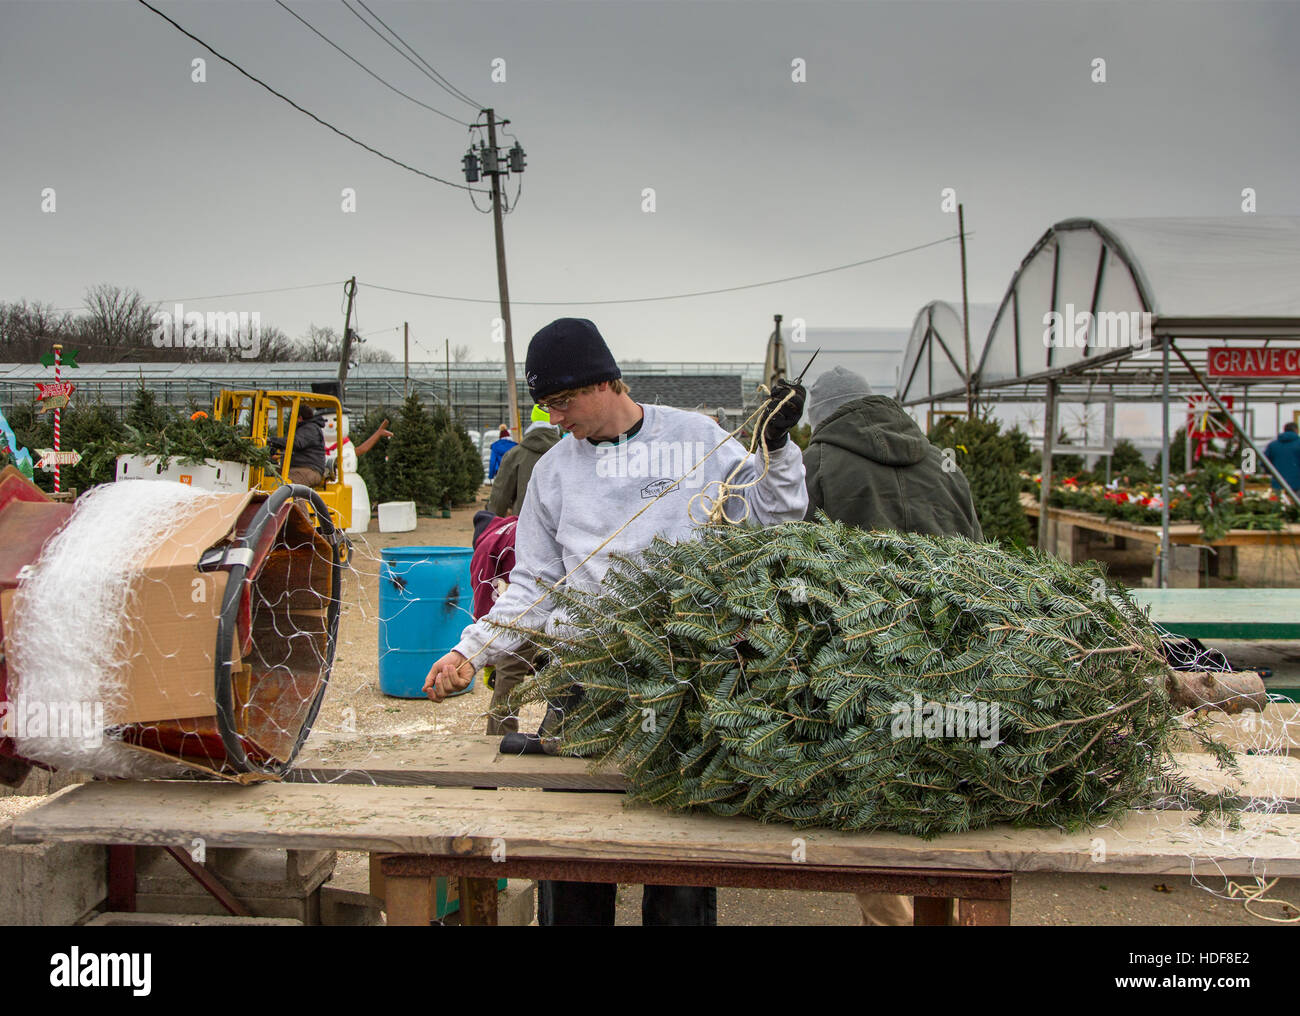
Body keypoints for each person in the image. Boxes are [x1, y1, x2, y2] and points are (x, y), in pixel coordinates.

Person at [424, 317, 808, 926]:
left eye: (561, 400)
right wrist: (471, 650)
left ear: (604, 382)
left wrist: (780, 446)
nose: (554, 418)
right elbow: (533, 585)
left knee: (677, 869)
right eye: (544, 404)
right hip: (585, 686)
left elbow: (776, 518)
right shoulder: (554, 471)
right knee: (570, 864)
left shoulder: (695, 438)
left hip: (686, 684)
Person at [801, 366, 982, 928]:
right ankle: (938, 917)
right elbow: (980, 555)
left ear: (821, 417)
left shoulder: (819, 463)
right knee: (940, 791)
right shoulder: (944, 463)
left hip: (857, 655)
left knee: (870, 799)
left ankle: (892, 922)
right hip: (950, 654)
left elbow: (791, 562)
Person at [488, 405, 561, 517]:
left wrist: (491, 524)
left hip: (523, 525)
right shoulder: (568, 455)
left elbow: (499, 497)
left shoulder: (515, 454)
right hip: (561, 528)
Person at [270, 404, 327, 487]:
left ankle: (298, 500)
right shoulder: (304, 428)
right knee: (269, 475)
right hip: (298, 468)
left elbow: (296, 443)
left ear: (299, 418)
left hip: (309, 469)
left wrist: (272, 441)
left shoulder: (310, 428)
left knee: (287, 486)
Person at [1263, 421, 1300, 500]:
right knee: (1296, 508)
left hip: (1278, 483)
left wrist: (1271, 472)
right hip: (1298, 484)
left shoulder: (1272, 445)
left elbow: (1264, 462)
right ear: (1296, 430)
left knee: (1280, 507)